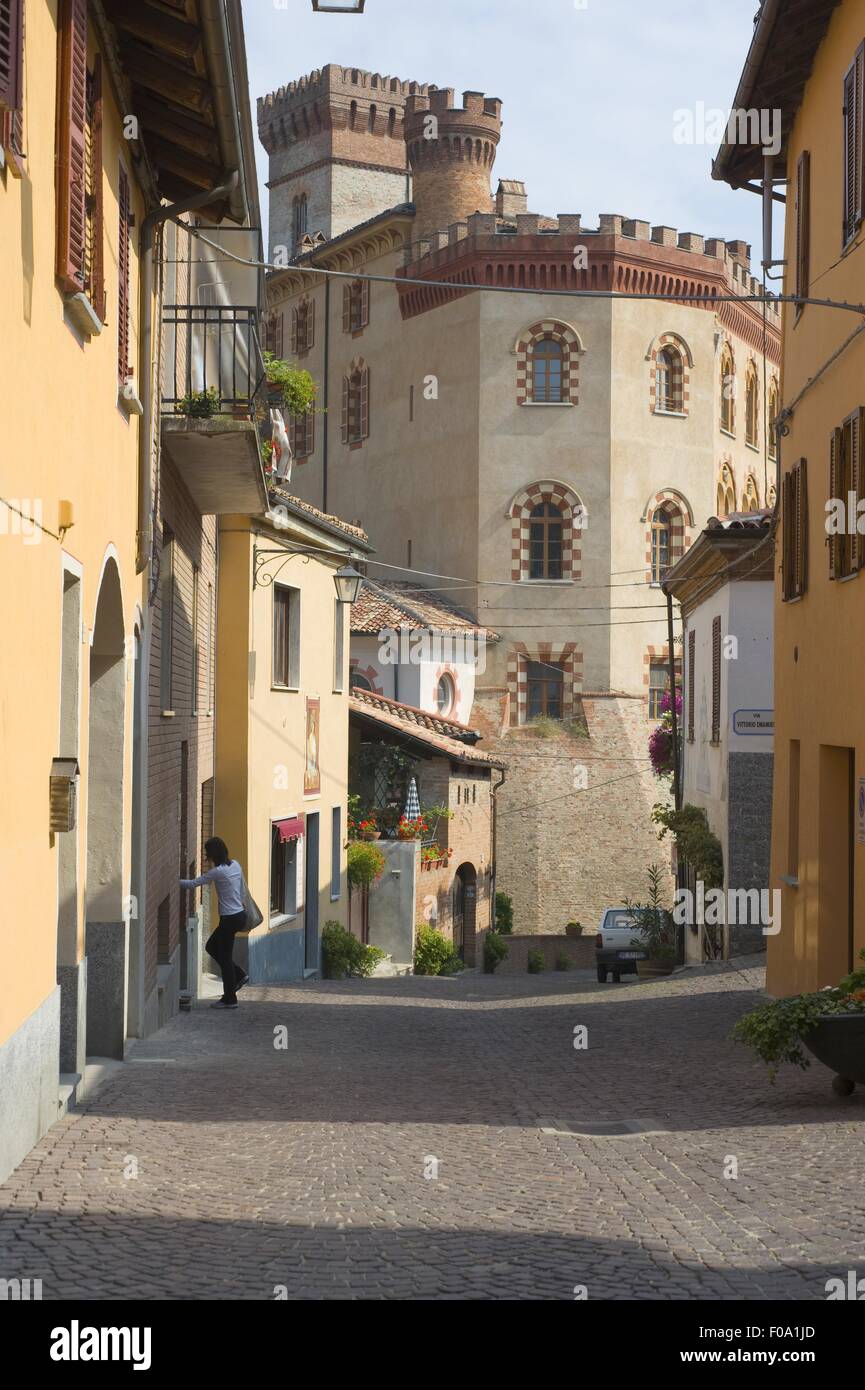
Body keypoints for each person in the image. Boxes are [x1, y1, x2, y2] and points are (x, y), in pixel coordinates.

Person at [181, 837, 250, 1010]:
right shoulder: (236, 864)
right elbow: (242, 888)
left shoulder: (218, 872)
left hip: (229, 918)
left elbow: (193, 884)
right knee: (212, 947)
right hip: (239, 915)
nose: (207, 857)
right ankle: (239, 975)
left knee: (224, 957)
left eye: (208, 853)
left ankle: (230, 999)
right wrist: (239, 901)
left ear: (213, 854)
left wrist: (174, 882)